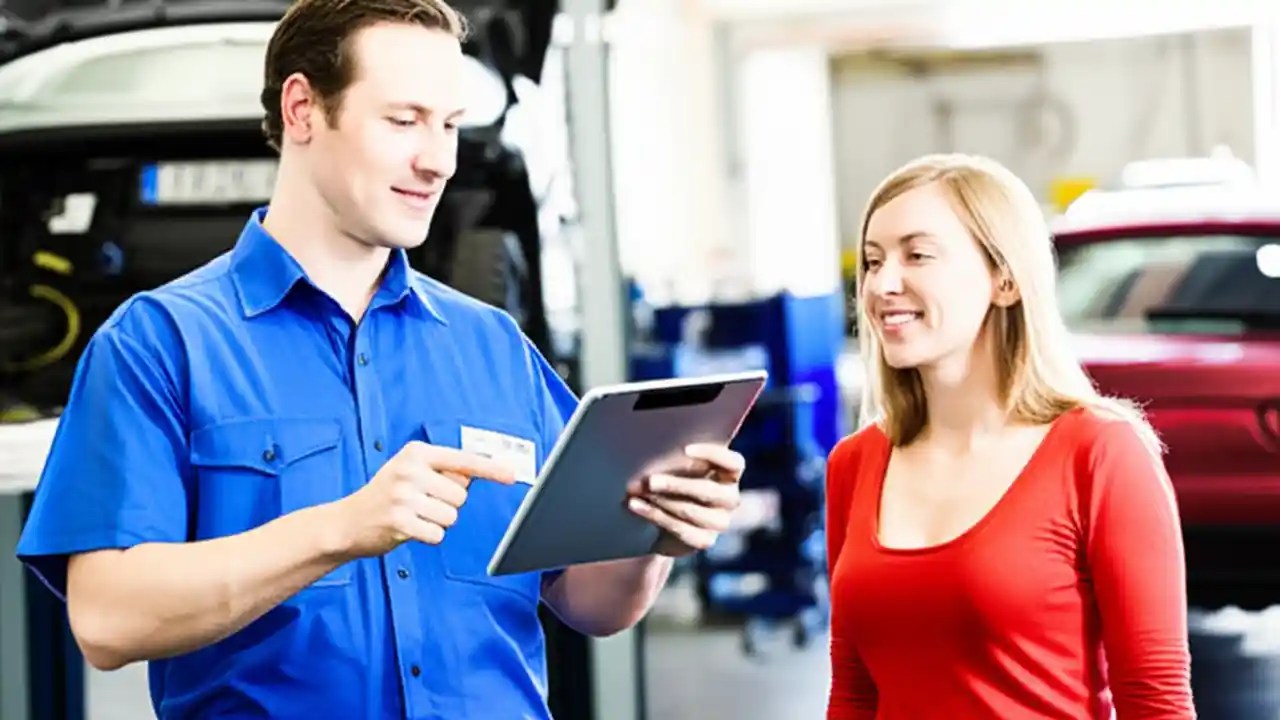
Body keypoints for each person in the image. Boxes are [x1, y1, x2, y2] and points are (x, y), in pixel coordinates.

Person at [14, 1, 747, 718]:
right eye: (404, 121)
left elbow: (590, 601)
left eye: (450, 124)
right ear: (302, 110)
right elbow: (109, 620)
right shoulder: (160, 344)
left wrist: (654, 533)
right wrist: (341, 528)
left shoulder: (493, 347)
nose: (438, 161)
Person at [825, 154, 1195, 719]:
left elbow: (1156, 701)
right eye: (873, 262)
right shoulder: (855, 464)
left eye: (917, 255)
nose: (883, 284)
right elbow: (853, 695)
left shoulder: (1099, 454)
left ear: (1004, 279)